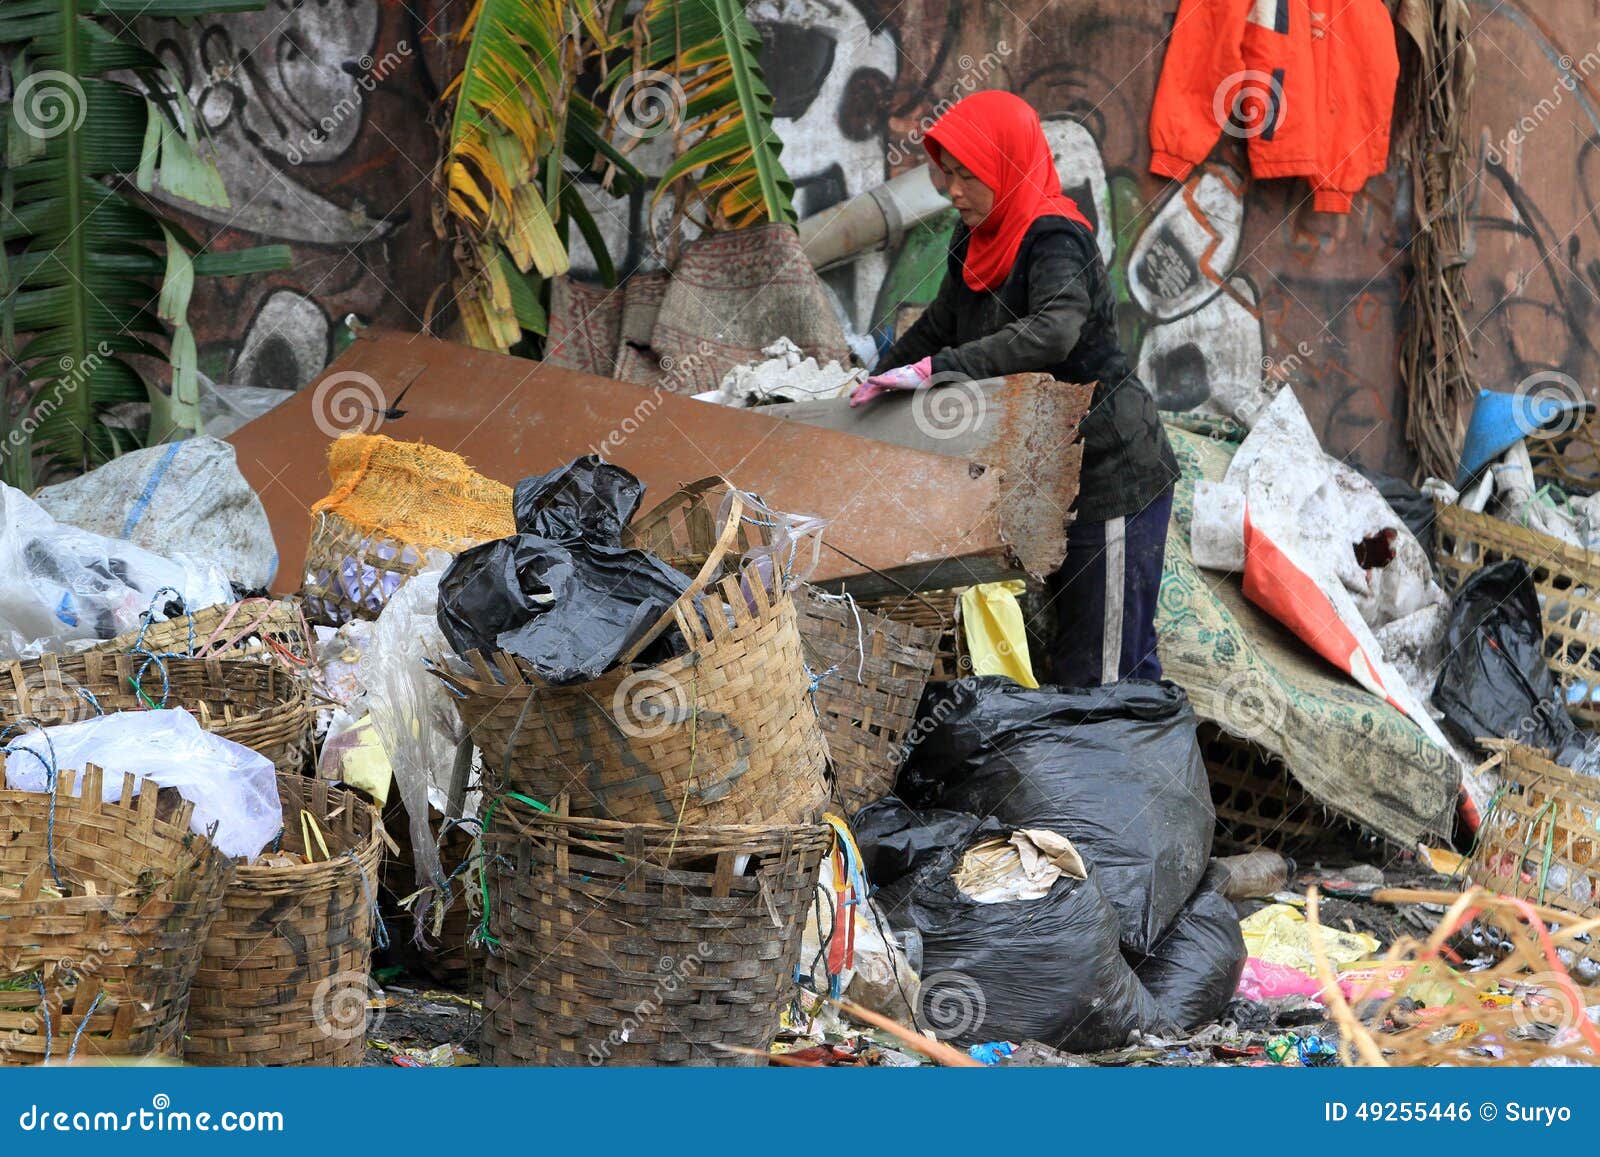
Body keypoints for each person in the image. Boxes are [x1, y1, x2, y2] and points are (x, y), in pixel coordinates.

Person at [851, 90, 1178, 688]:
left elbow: (1053, 332)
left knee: (1107, 671)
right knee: (1066, 660)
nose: (952, 190)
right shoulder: (973, 238)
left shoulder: (1054, 238)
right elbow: (939, 324)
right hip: (1046, 475)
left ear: (1007, 164)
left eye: (966, 175)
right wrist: (874, 379)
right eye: (945, 175)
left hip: (1109, 475)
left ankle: (1138, 778)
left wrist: (936, 370)